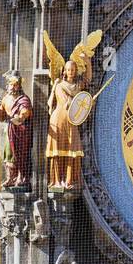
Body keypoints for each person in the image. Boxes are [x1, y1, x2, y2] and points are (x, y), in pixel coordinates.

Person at [46, 55, 88, 190]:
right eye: (68, 70)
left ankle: (69, 180)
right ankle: (57, 180)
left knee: (73, 149)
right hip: (59, 119)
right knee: (57, 150)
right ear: (64, 71)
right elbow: (62, 103)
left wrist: (87, 62)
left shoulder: (77, 86)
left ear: (76, 71)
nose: (71, 72)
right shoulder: (59, 85)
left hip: (72, 121)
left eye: (73, 70)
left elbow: (88, 79)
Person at [0, 70, 33, 189]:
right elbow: (2, 116)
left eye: (15, 84)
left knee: (21, 154)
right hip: (10, 130)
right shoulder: (5, 99)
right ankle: (11, 177)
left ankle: (21, 176)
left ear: (19, 85)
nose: (13, 87)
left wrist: (23, 114)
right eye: (11, 84)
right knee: (9, 154)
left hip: (21, 131)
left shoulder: (23, 99)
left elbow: (26, 110)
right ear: (8, 85)